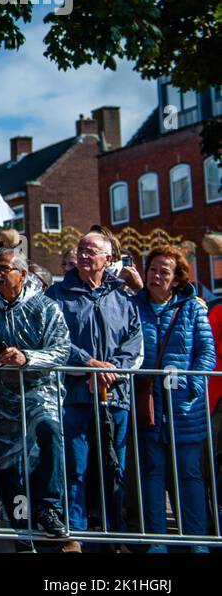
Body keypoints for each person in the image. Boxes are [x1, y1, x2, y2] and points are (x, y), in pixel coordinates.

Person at [0, 249, 70, 540]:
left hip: (38, 392)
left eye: (5, 269)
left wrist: (27, 358)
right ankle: (21, 529)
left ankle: (48, 507)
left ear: (23, 274)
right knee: (8, 464)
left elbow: (61, 350)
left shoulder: (45, 308)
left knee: (50, 432)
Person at [45, 230, 143, 549]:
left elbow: (135, 343)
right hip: (73, 397)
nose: (85, 255)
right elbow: (53, 338)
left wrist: (111, 370)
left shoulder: (124, 298)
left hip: (115, 398)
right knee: (75, 468)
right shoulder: (58, 294)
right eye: (81, 249)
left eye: (92, 251)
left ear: (108, 259)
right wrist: (87, 363)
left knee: (114, 469)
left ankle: (114, 535)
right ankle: (75, 535)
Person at [131, 245, 216, 552]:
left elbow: (207, 353)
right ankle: (157, 540)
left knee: (190, 473)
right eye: (152, 270)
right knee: (151, 472)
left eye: (163, 272)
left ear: (177, 278)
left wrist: (192, 387)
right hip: (147, 404)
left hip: (184, 406)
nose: (155, 276)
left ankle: (197, 540)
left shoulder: (192, 307)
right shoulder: (133, 305)